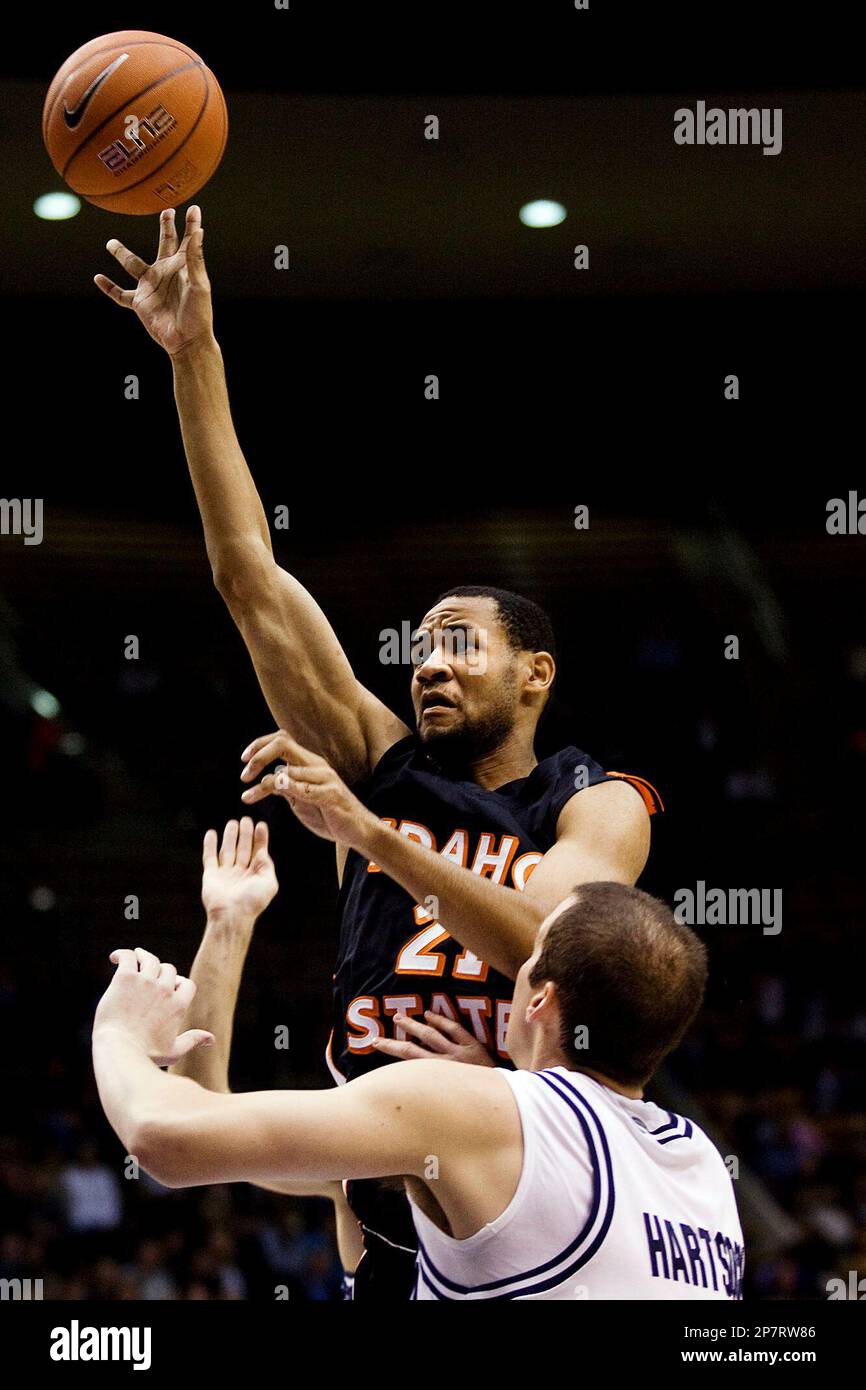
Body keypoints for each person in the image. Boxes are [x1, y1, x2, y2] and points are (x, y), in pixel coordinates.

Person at [95, 206, 662, 1294]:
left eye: (461, 646)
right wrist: (193, 354)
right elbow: (248, 577)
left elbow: (548, 936)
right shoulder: (379, 763)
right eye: (420, 649)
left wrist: (367, 834)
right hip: (386, 1185)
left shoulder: (595, 802)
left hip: (525, 1158)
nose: (429, 666)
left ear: (535, 673)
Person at [92, 875, 744, 1301]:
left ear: (539, 1000)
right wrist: (228, 924)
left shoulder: (480, 1115)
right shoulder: (699, 1167)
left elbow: (168, 1138)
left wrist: (118, 1032)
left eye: (530, 949)